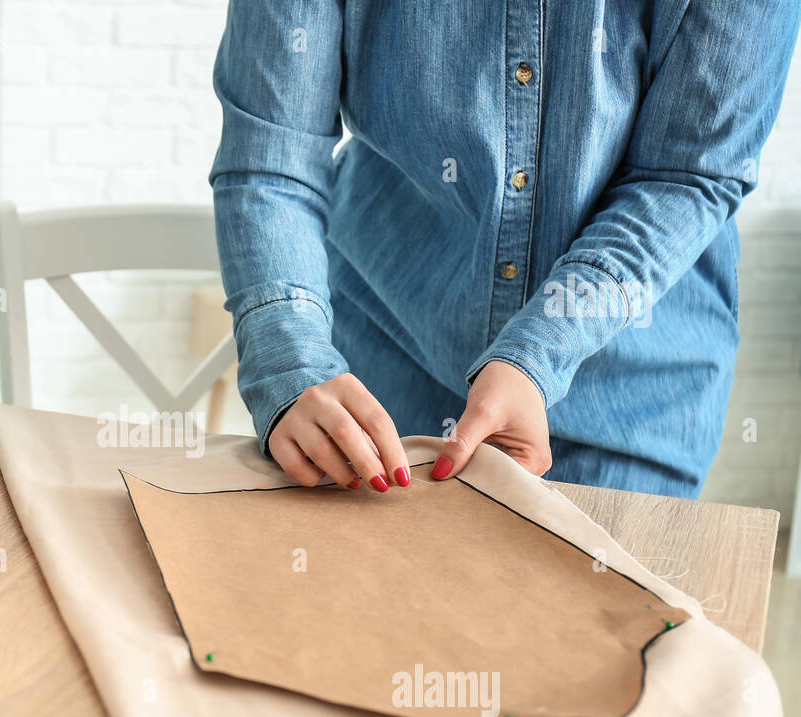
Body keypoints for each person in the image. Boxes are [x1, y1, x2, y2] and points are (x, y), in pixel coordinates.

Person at [210, 1, 799, 496]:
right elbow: (273, 155)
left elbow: (686, 175)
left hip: (627, 407)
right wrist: (290, 359)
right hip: (372, 379)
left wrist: (537, 355)